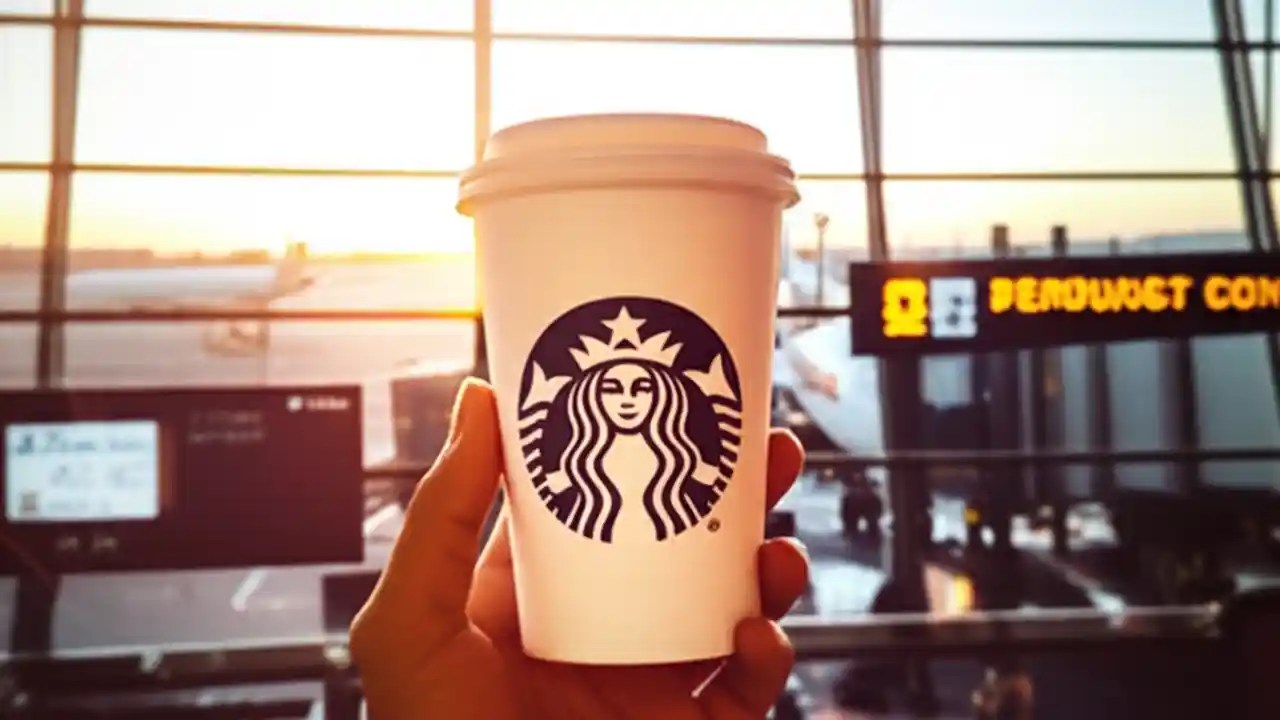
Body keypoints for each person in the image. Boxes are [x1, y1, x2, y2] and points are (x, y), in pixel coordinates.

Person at [350, 378, 811, 719]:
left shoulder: (677, 469)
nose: (628, 400)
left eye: (643, 389)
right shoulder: (581, 473)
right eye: (612, 387)